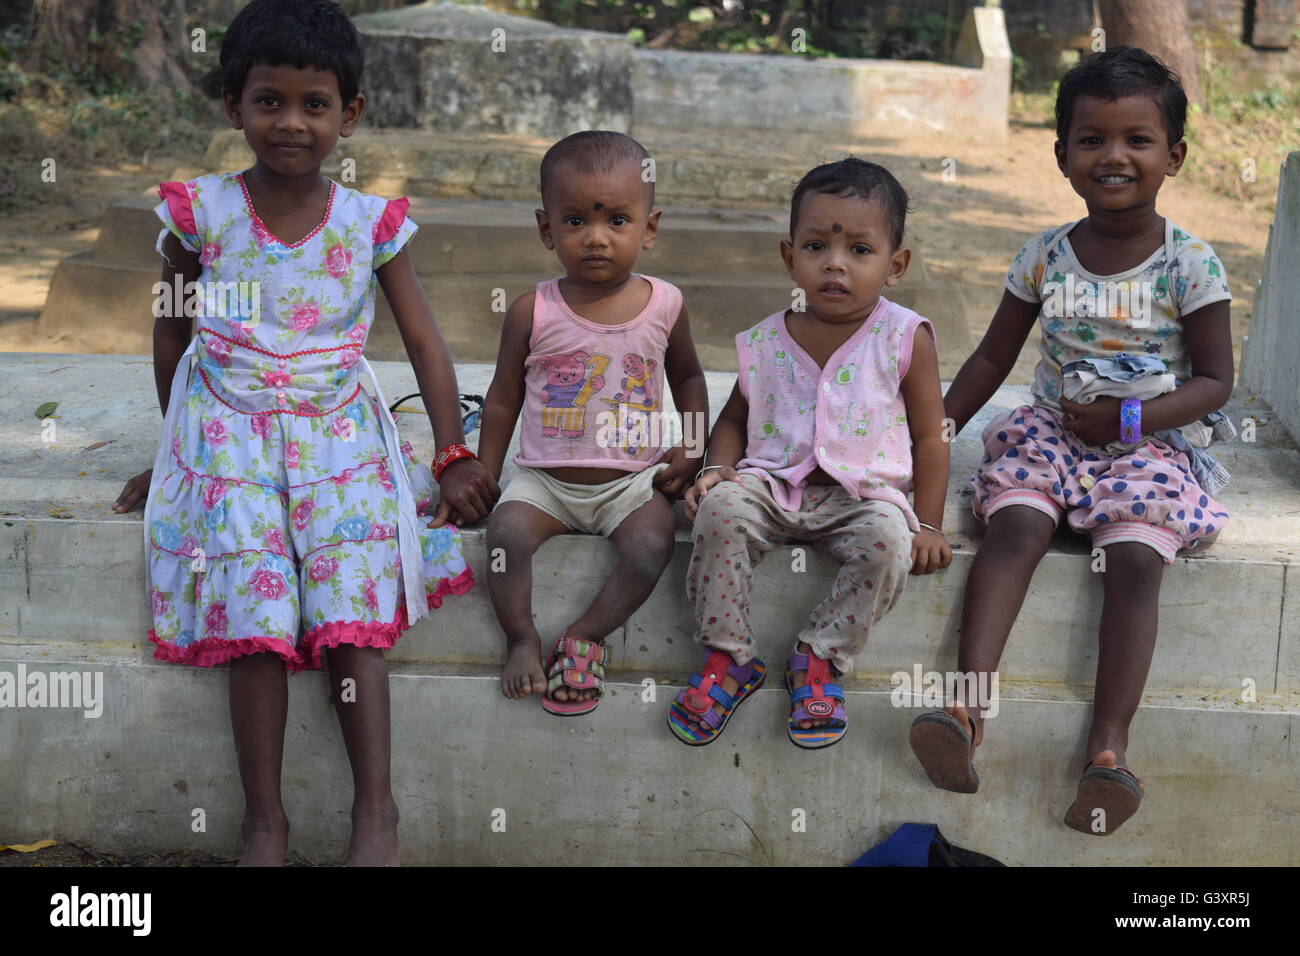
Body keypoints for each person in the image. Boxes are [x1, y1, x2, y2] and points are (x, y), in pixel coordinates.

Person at [111, 0, 498, 865]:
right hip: (228, 444)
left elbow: (427, 344)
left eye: (314, 104)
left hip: (341, 445)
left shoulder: (369, 226)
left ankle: (376, 815)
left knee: (350, 607)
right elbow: (172, 331)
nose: (291, 122)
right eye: (269, 100)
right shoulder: (199, 214)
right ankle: (264, 822)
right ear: (232, 104)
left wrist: (451, 450)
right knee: (253, 609)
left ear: (348, 114)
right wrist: (174, 447)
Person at [910, 47, 1234, 836]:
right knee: (1015, 524)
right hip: (1052, 434)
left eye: (1137, 139)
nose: (1113, 156)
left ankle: (1108, 755)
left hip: (1149, 446)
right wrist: (936, 430)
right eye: (1091, 139)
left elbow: (1216, 382)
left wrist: (1131, 421)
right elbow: (993, 356)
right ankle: (966, 708)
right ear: (1062, 156)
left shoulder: (1189, 264)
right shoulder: (1045, 255)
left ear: (1174, 156)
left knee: (1132, 561)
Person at [668, 157, 952, 749]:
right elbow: (735, 417)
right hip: (773, 487)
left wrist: (927, 521)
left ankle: (820, 656)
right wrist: (717, 469)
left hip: (863, 495)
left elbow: (931, 436)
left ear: (895, 264)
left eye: (860, 250)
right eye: (816, 245)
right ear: (788, 255)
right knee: (719, 513)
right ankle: (729, 657)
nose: (835, 264)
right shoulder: (768, 339)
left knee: (887, 545)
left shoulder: (904, 337)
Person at [478, 131, 708, 716]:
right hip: (545, 483)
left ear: (649, 228)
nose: (596, 237)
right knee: (504, 539)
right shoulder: (533, 310)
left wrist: (694, 446)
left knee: (652, 544)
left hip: (631, 483)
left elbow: (689, 380)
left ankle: (585, 636)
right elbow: (502, 398)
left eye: (618, 220)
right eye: (575, 219)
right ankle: (522, 639)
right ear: (545, 228)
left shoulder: (665, 304)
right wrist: (485, 470)